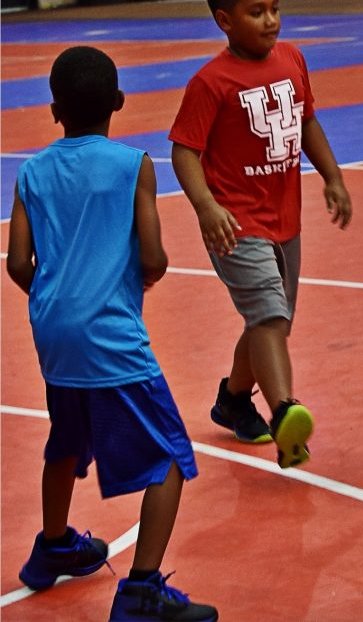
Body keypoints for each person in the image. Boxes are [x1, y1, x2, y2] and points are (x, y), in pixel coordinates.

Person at [6, 47, 218, 620]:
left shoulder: (30, 171)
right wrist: (133, 282)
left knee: (66, 439)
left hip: (53, 337)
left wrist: (60, 300)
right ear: (119, 103)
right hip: (111, 339)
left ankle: (52, 546)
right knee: (172, 458)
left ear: (53, 110)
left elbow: (18, 263)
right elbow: (153, 256)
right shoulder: (133, 167)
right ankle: (142, 590)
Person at [170, 0, 352, 468]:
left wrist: (333, 177)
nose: (271, 20)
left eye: (275, 8)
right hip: (236, 223)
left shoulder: (292, 59)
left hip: (284, 218)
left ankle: (232, 400)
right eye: (256, 12)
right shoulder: (211, 83)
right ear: (225, 20)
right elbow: (184, 150)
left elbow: (307, 122)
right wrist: (206, 207)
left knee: (271, 322)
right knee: (270, 315)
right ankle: (284, 414)